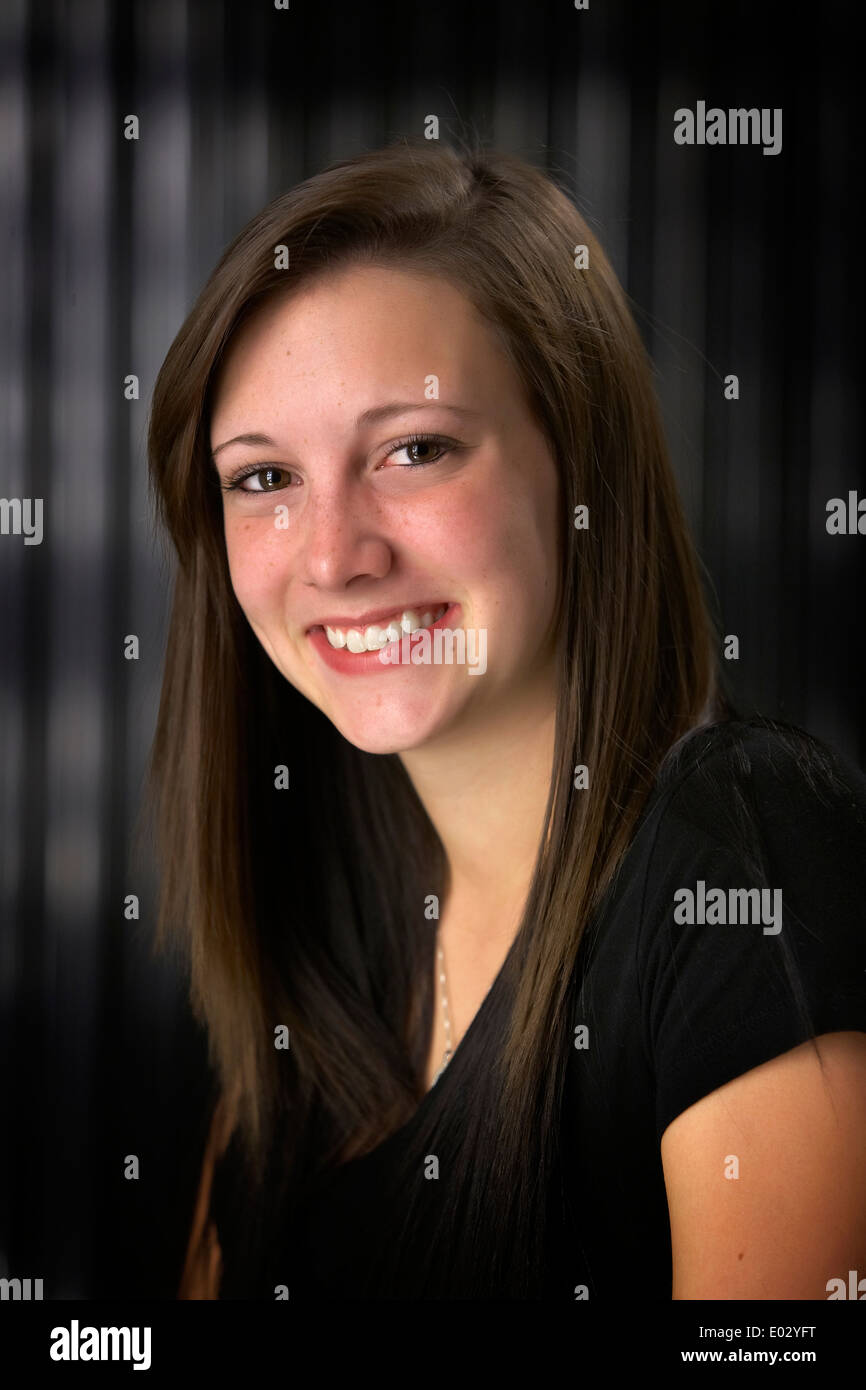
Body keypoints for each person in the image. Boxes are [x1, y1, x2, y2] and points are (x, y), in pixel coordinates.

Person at [146, 139, 866, 1301]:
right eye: (263, 478)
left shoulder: (740, 852)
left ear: (577, 463)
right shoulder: (310, 943)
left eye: (414, 450)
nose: (335, 556)